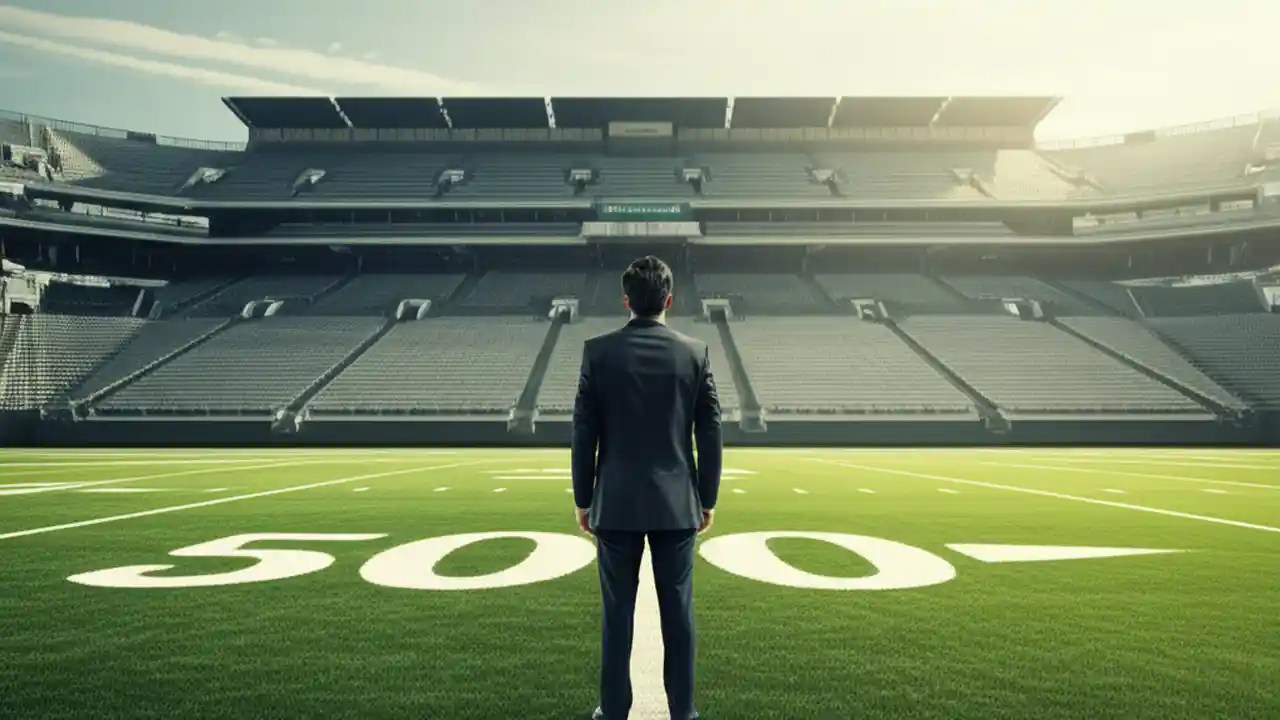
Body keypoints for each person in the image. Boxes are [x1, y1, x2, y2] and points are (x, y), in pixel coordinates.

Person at [572, 255, 722, 720]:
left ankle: (614, 711)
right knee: (678, 616)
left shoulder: (597, 353)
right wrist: (708, 498)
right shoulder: (695, 353)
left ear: (626, 302)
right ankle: (684, 712)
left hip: (614, 504)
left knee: (617, 616)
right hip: (677, 506)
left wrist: (583, 499)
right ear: (669, 300)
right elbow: (710, 429)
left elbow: (584, 433)